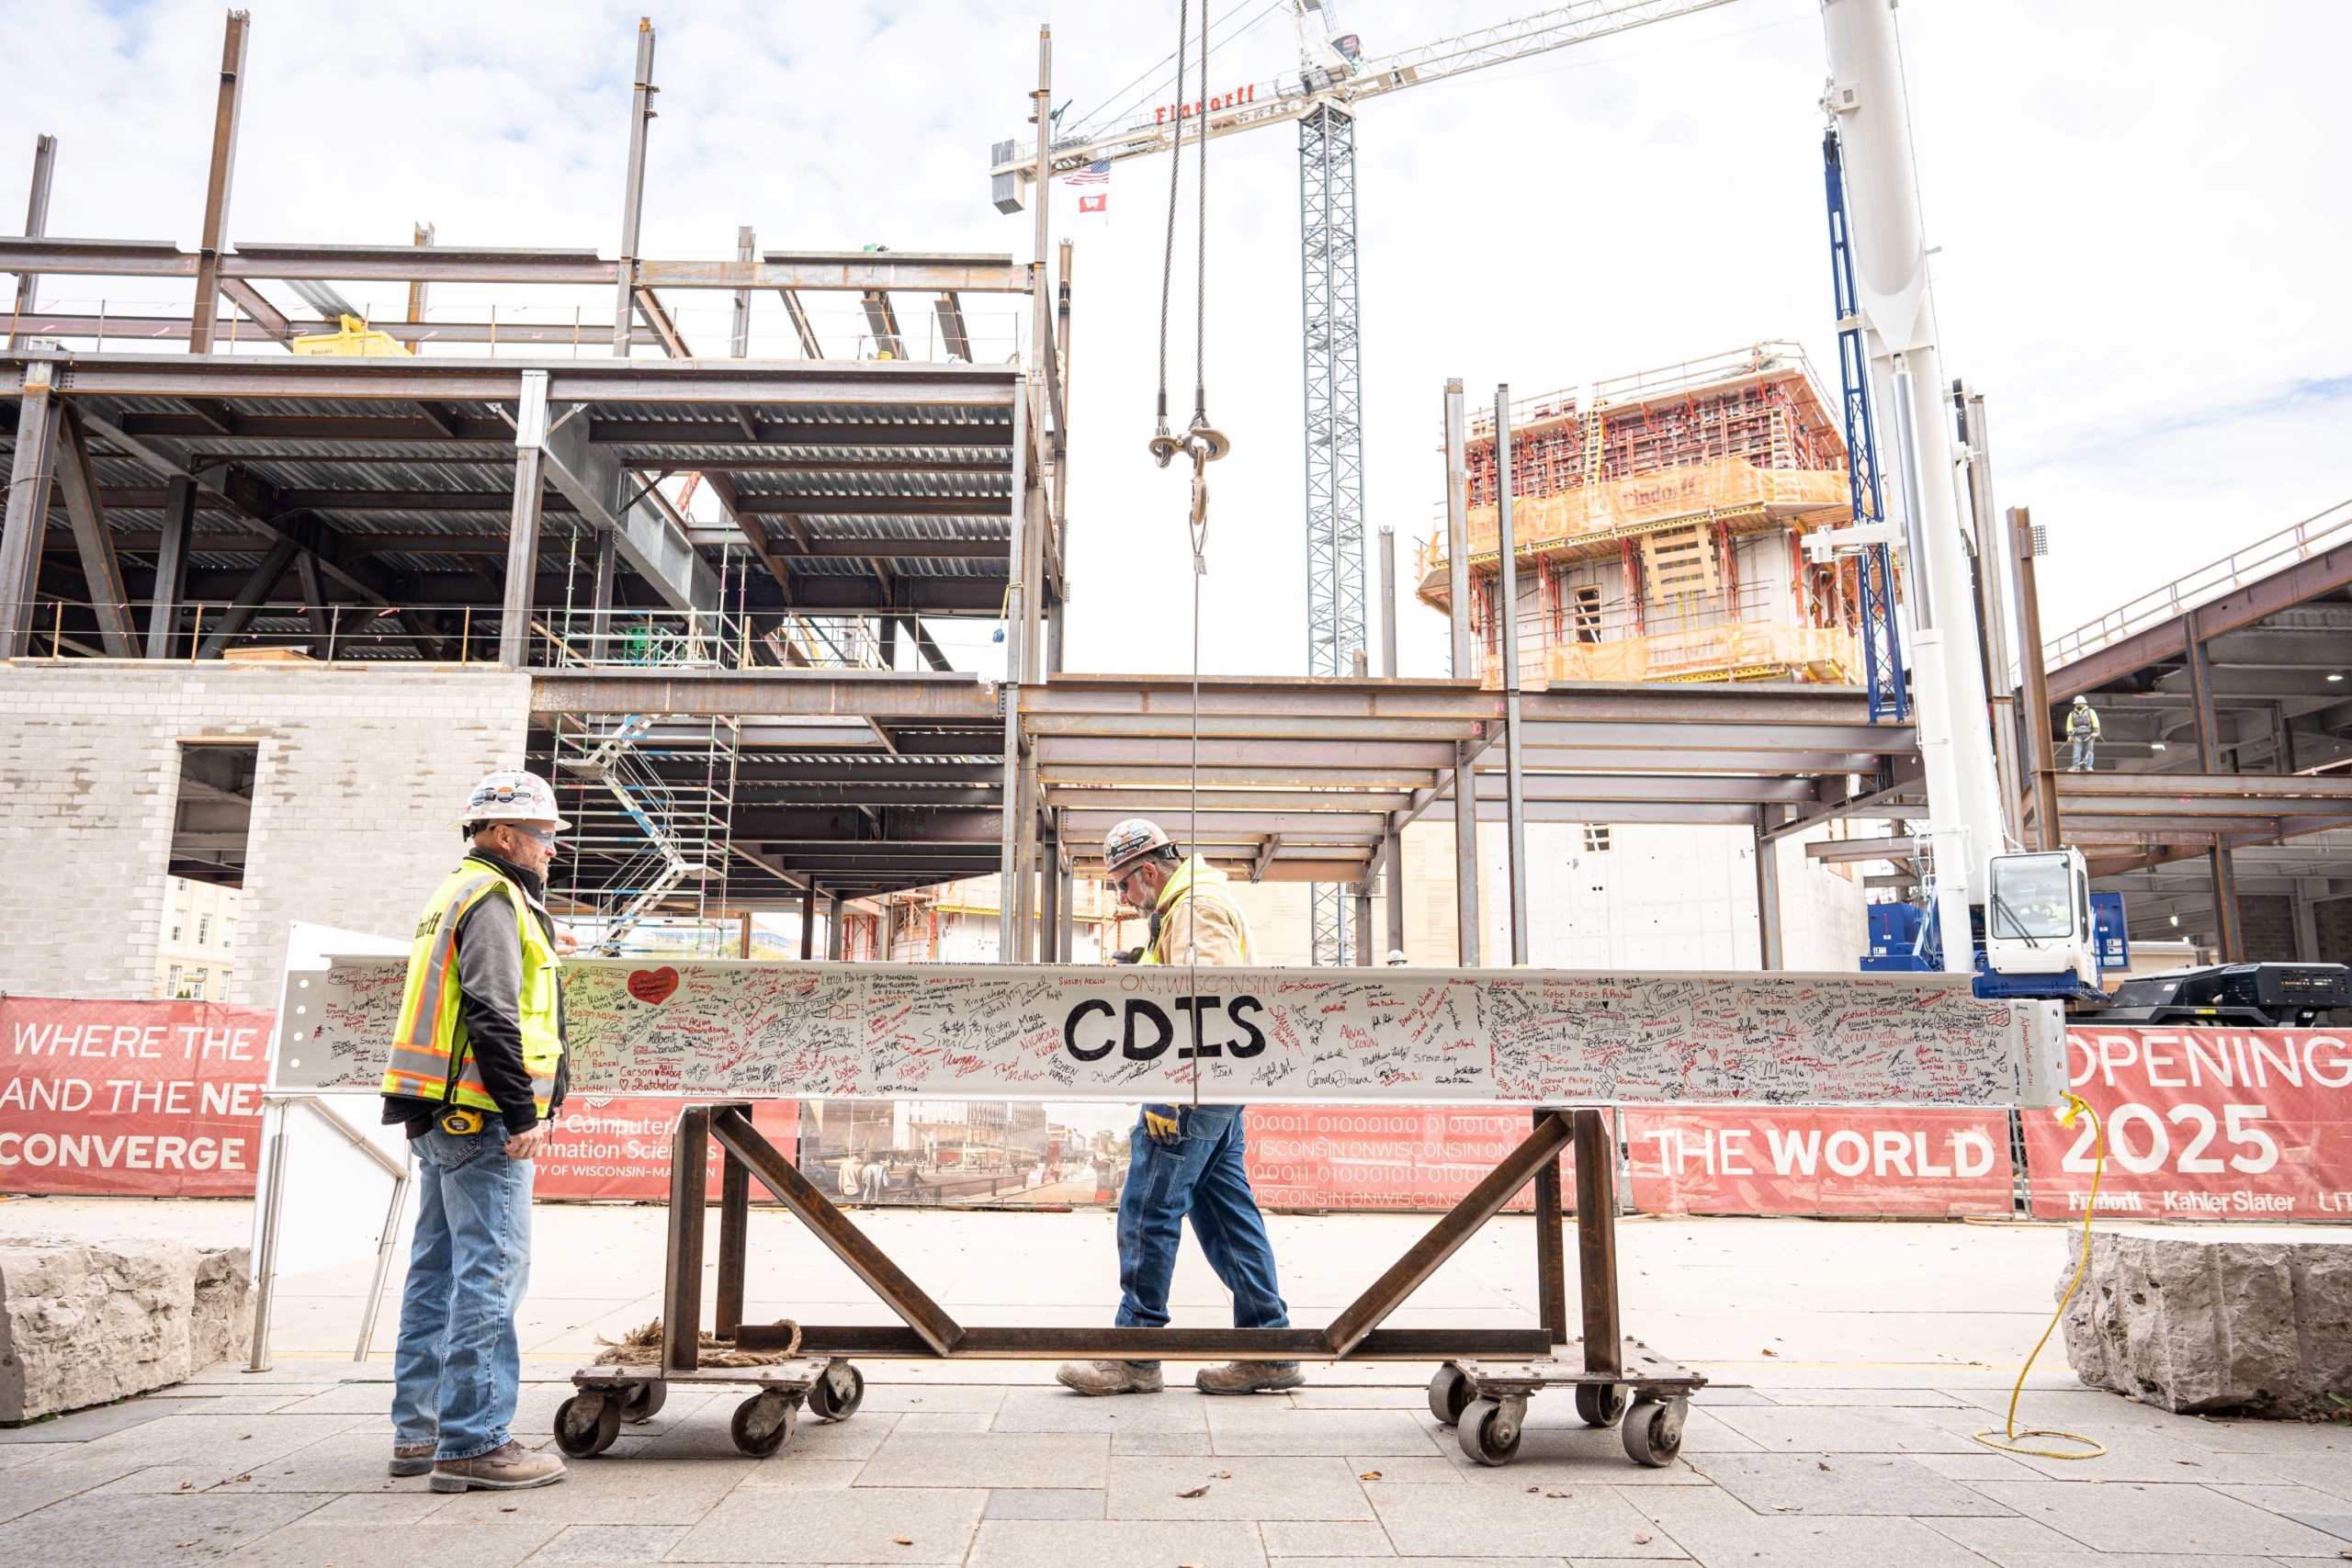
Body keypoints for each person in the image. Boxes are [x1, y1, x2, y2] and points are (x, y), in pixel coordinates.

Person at [1056, 818, 1300, 1399]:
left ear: (1147, 871)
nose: (1122, 897)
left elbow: (1205, 1001)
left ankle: (1135, 1354)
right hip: (1219, 1084)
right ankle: (1269, 1348)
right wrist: (1145, 960)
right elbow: (1186, 977)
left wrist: (1166, 1090)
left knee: (1147, 1207)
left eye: (1123, 885)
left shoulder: (1194, 908)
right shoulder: (1191, 904)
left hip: (1193, 1085)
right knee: (1224, 1214)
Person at [380, 771, 574, 1493]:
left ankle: (419, 1430)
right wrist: (524, 1114)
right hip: (481, 1115)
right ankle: (474, 1440)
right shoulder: (494, 900)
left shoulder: (453, 892)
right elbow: (493, 1012)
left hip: (437, 1109)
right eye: (543, 835)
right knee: (490, 1276)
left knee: (435, 1272)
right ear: (502, 835)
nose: (552, 850)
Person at [2067, 695, 2101, 772]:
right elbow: (2069, 725)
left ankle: (2089, 766)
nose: (2079, 705)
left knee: (2089, 750)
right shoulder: (2072, 714)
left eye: (2081, 703)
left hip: (2089, 735)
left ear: (2084, 703)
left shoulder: (2090, 712)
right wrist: (2070, 735)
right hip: (2077, 736)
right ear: (2075, 704)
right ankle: (2075, 767)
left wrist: (2096, 732)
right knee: (2076, 751)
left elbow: (2095, 721)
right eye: (2077, 703)